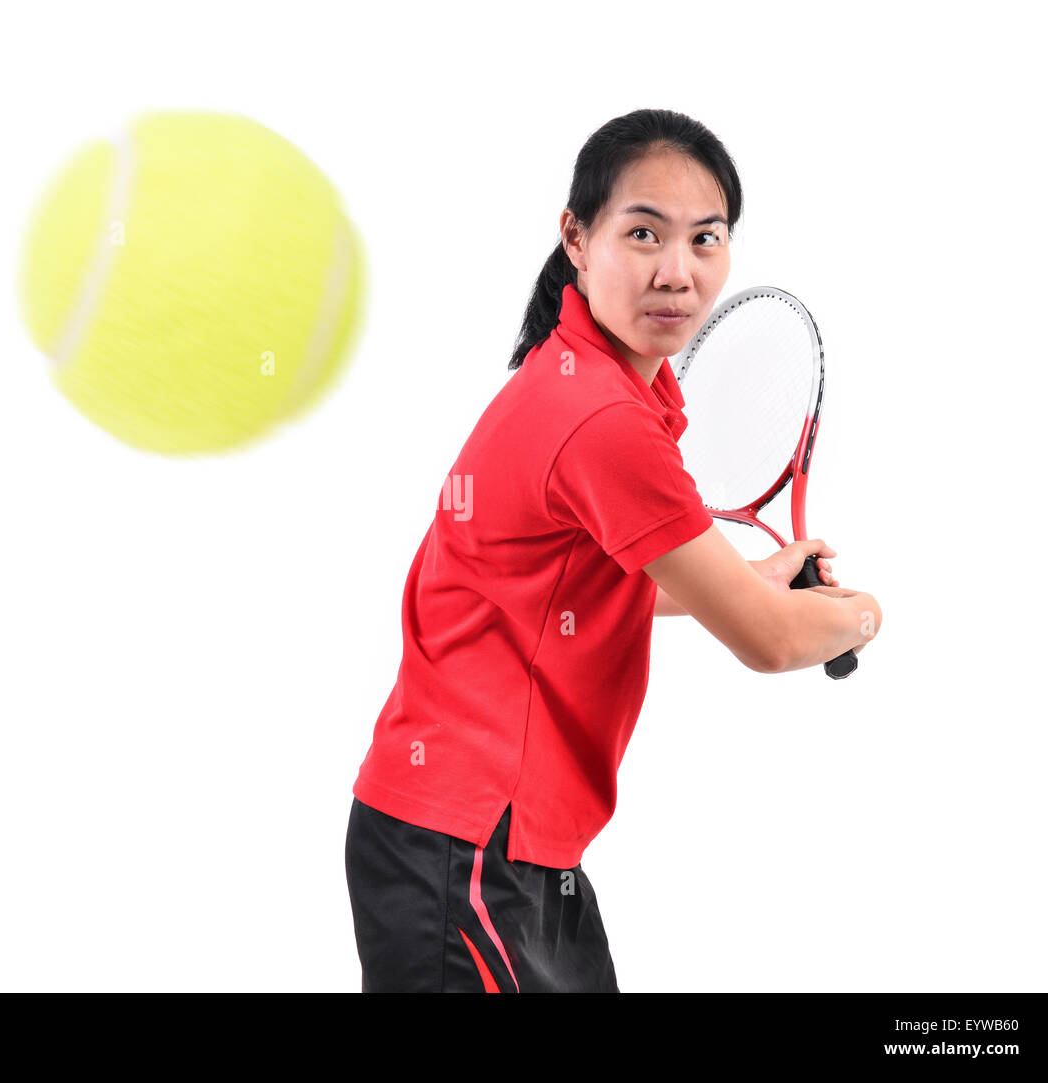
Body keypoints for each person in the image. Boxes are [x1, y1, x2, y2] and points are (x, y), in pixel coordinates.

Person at [344, 108, 881, 993]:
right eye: (644, 233)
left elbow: (571, 574)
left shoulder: (591, 377)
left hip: (504, 845)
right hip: (465, 846)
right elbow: (772, 642)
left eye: (707, 239)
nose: (679, 272)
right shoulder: (600, 418)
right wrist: (862, 614)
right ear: (577, 239)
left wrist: (743, 577)